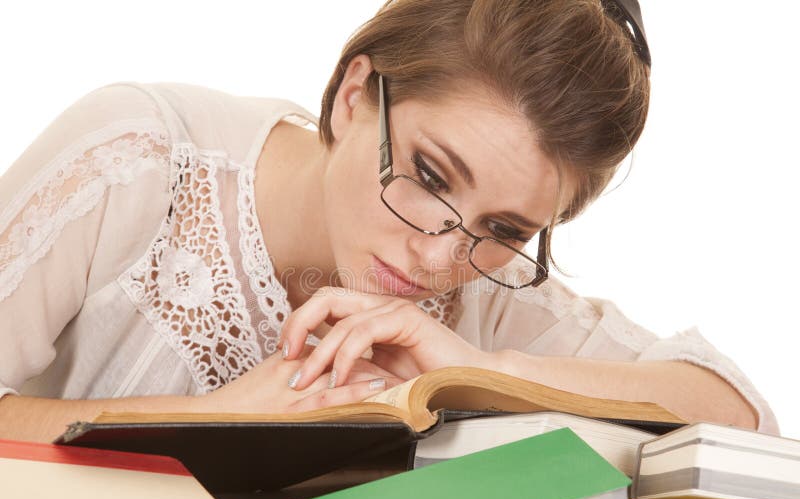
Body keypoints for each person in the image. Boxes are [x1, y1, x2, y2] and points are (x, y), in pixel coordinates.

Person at [0, 0, 778, 444]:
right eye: (431, 175)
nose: (443, 256)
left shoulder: (488, 283)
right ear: (352, 93)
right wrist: (206, 420)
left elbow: (739, 413)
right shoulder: (135, 159)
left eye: (506, 228)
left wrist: (484, 372)